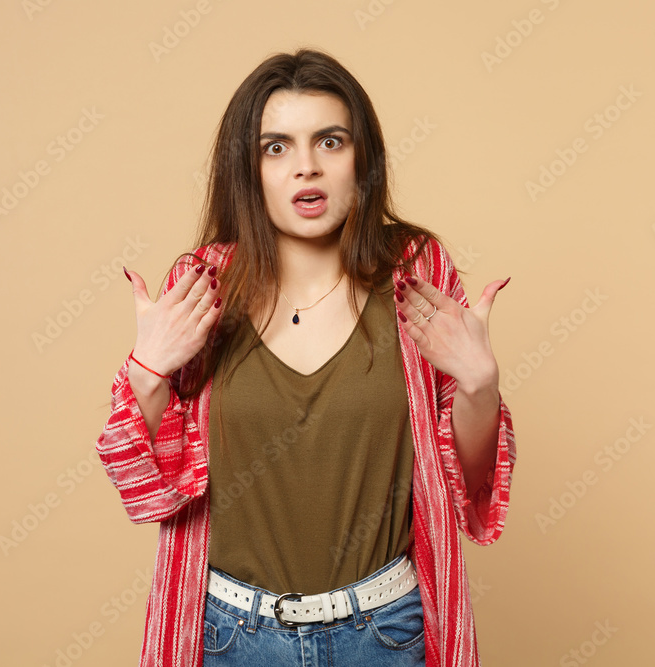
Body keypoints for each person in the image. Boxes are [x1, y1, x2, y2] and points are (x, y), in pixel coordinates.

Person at [95, 47, 516, 667]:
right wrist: (148, 372)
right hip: (229, 637)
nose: (306, 168)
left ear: (361, 159)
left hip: (387, 633)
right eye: (277, 147)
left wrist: (480, 386)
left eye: (330, 141)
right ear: (250, 168)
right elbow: (145, 487)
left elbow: (471, 484)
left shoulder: (416, 271)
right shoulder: (204, 283)